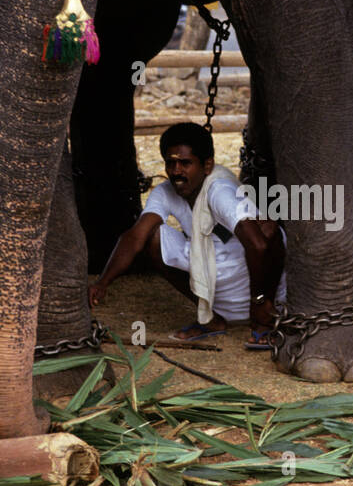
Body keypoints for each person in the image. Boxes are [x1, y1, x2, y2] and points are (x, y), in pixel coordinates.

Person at [89, 123, 285, 348]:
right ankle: (211, 319)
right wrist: (103, 282)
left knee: (270, 229)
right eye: (170, 163)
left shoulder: (219, 190)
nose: (176, 171)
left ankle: (264, 324)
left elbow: (259, 245)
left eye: (185, 163)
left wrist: (259, 301)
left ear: (207, 165)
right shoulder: (165, 192)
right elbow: (134, 237)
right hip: (215, 294)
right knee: (151, 236)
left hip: (252, 291)